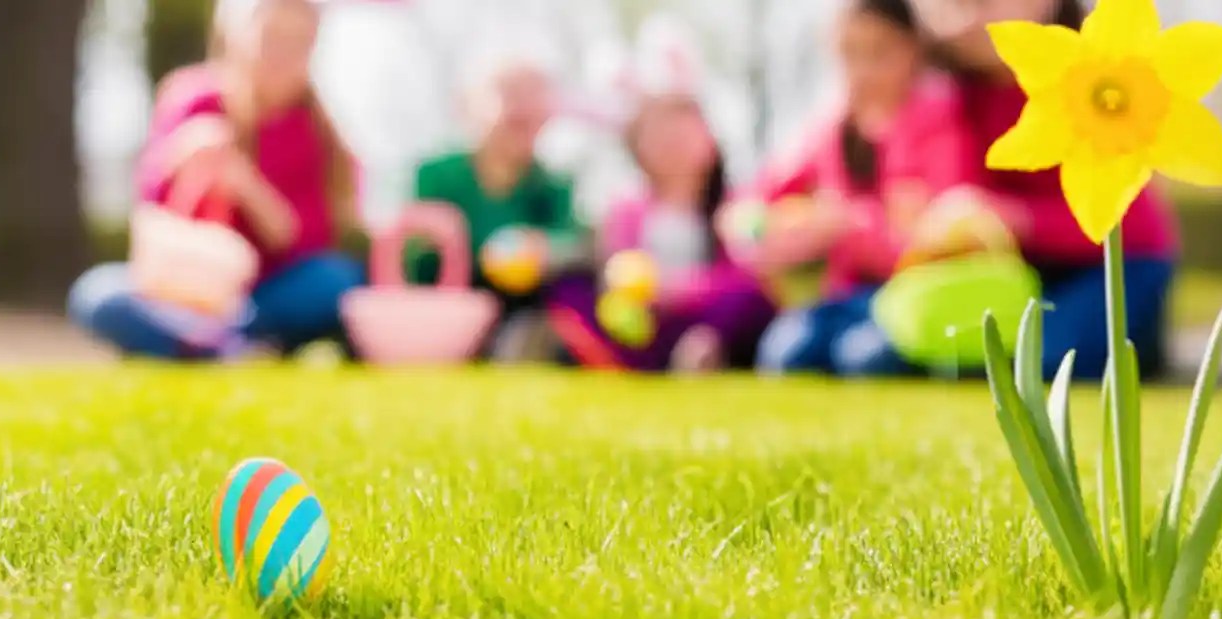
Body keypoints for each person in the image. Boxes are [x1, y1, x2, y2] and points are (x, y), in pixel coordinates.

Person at [69, 0, 365, 359]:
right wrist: (181, 158)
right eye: (270, 37)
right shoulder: (194, 99)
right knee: (97, 292)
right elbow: (152, 213)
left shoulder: (316, 132)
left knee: (337, 279)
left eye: (298, 42)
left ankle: (208, 343)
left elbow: (307, 241)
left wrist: (245, 185)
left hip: (261, 293)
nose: (282, 54)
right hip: (183, 290)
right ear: (236, 35)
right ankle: (226, 345)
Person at [905, 0, 1179, 379]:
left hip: (1117, 266)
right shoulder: (947, 100)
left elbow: (1133, 227)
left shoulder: (1093, 71)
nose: (968, 19)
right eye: (952, 5)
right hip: (1027, 270)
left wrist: (1017, 218)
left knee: (1050, 359)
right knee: (980, 354)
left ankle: (1138, 350)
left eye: (981, 3)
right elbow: (959, 197)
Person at [751, 0, 972, 376]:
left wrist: (849, 228)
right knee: (785, 353)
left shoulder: (940, 123)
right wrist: (767, 228)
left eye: (879, 53)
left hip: (917, 291)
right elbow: (765, 194)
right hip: (848, 295)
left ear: (913, 49)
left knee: (865, 358)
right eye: (849, 54)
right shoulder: (832, 128)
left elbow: (949, 233)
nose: (864, 70)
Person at [548, 22, 776, 373]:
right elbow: (614, 266)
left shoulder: (731, 205)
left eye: (683, 133)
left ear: (710, 143)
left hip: (705, 319)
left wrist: (682, 289)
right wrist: (635, 288)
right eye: (660, 136)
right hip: (646, 316)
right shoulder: (627, 209)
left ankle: (700, 355)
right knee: (572, 290)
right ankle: (615, 355)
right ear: (639, 150)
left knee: (748, 300)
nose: (673, 145)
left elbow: (744, 272)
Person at [406, 51, 584, 363]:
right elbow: (413, 253)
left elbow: (572, 241)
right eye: (513, 94)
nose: (526, 107)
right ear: (472, 105)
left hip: (519, 302)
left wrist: (545, 249)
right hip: (448, 301)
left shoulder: (552, 185)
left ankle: (526, 341)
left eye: (536, 96)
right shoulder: (437, 175)